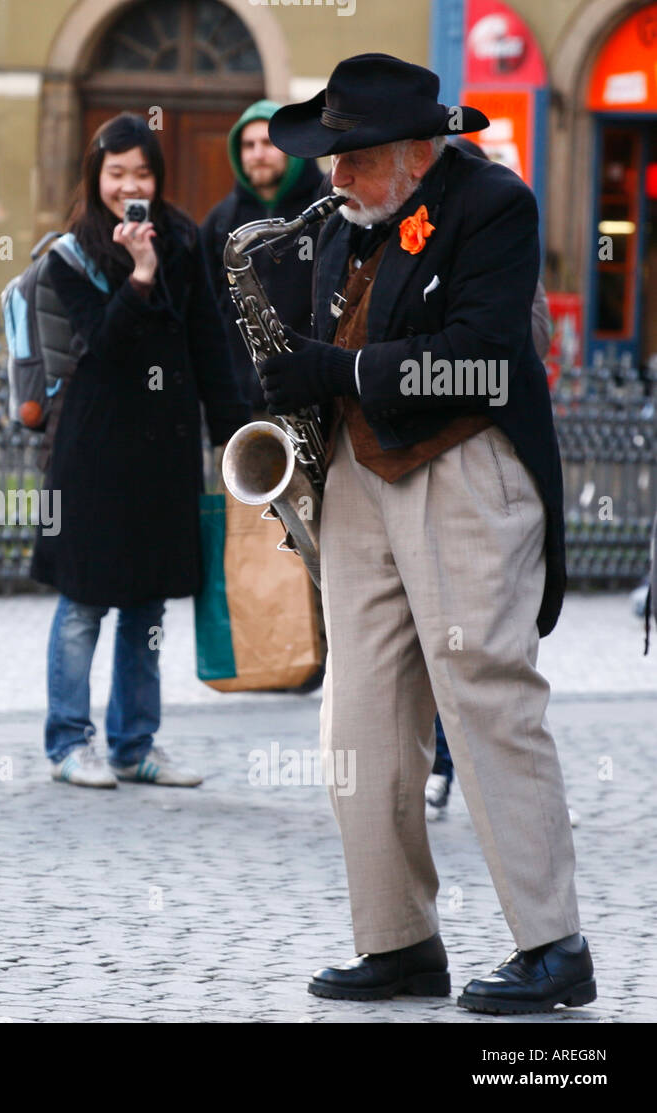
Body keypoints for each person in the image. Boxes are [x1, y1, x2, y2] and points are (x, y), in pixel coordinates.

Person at [260, 54, 593, 1014]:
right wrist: (293, 385)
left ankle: (553, 945)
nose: (334, 178)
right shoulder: (341, 223)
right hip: (360, 476)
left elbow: (486, 359)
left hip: (465, 464)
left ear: (418, 150)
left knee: (486, 694)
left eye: (353, 159)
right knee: (358, 716)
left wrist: (339, 373)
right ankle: (397, 939)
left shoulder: (495, 204)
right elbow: (324, 344)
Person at [30, 113, 251, 789]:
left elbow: (209, 340)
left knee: (148, 604)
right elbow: (100, 346)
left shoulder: (183, 237)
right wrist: (139, 275)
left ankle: (135, 743)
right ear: (96, 177)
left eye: (142, 172)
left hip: (165, 449)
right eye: (117, 172)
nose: (131, 184)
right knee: (85, 599)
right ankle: (69, 740)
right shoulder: (69, 255)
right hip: (95, 449)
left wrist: (236, 433)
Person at [426, 134, 554, 823]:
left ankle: (502, 782)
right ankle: (441, 767)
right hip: (409, 468)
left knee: (486, 647)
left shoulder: (500, 236)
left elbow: (528, 337)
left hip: (482, 468)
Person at [200, 100, 327, 408]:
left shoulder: (324, 208)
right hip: (242, 401)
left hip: (312, 392)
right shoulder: (220, 220)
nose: (257, 154)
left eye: (268, 143)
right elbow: (206, 311)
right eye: (248, 144)